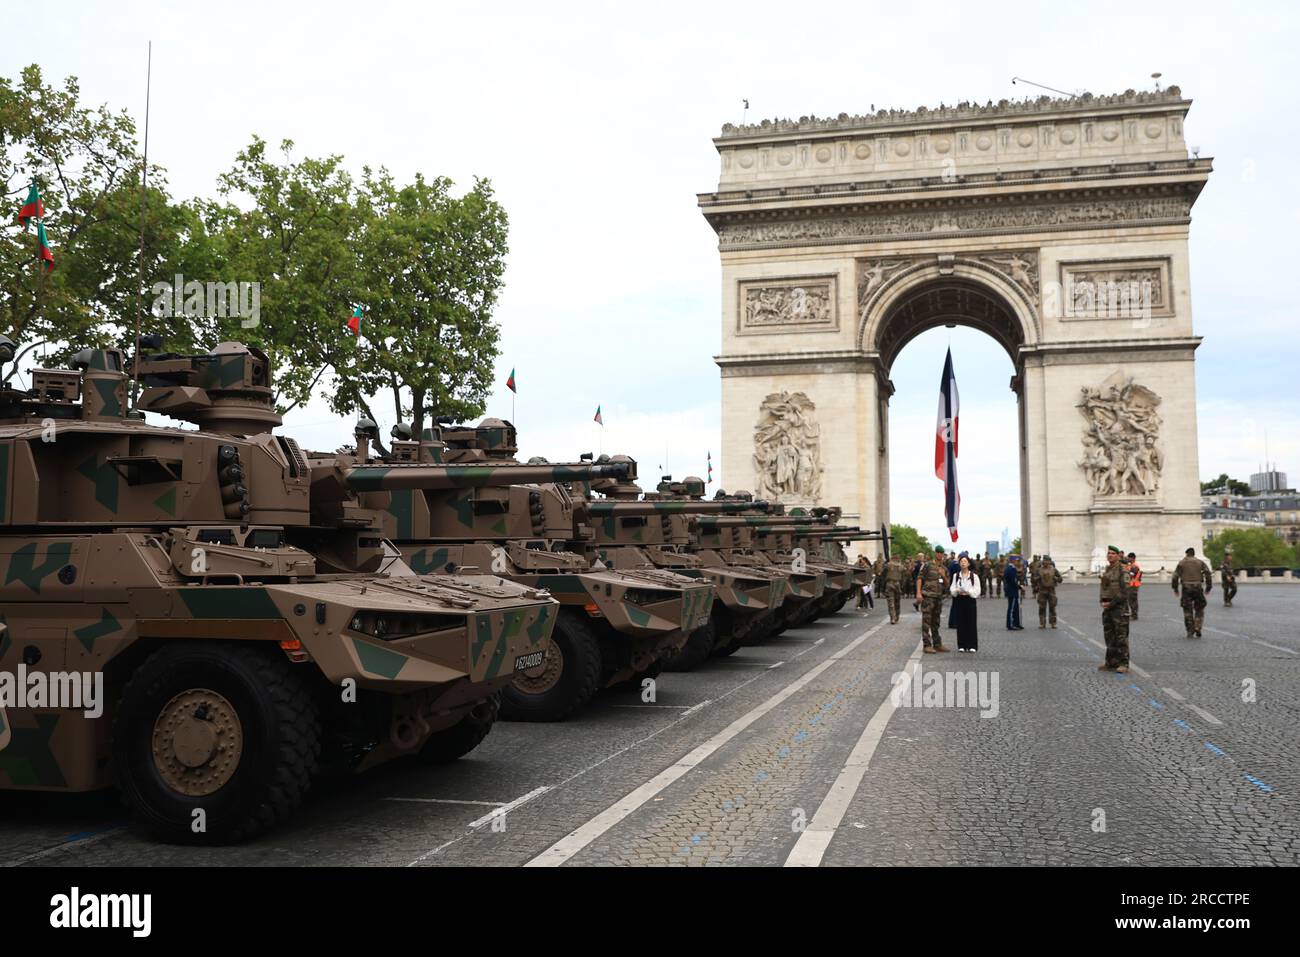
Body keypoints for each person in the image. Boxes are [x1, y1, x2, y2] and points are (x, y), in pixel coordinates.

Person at [1099, 544, 1130, 672]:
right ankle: (1111, 662)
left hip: (1119, 608)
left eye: (1113, 553)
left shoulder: (1123, 570)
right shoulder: (1108, 569)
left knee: (1121, 637)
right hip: (1107, 608)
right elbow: (1104, 587)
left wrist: (1110, 604)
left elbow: (1124, 591)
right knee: (1109, 636)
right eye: (1109, 553)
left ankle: (1124, 663)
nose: (1110, 555)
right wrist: (1102, 601)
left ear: (1118, 556)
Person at [1172, 546, 1213, 639]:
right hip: (1198, 587)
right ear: (1194, 554)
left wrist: (1175, 589)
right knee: (1199, 608)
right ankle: (1198, 627)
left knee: (1187, 610)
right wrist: (1208, 587)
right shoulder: (1200, 562)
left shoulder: (1182, 563)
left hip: (1186, 588)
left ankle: (1190, 630)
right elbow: (1208, 574)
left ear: (1187, 554)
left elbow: (1175, 576)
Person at [916, 546, 951, 654]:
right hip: (928, 597)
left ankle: (937, 644)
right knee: (926, 622)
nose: (940, 554)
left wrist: (943, 575)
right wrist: (918, 593)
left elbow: (947, 584)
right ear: (935, 553)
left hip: (938, 598)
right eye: (938, 552)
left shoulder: (944, 568)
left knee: (936, 622)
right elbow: (919, 578)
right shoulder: (927, 565)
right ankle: (927, 645)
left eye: (942, 553)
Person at [950, 553, 981, 651]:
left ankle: (972, 645)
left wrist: (969, 592)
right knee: (961, 623)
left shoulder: (974, 576)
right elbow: (952, 588)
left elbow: (977, 590)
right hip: (960, 599)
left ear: (968, 564)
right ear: (959, 564)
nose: (963, 563)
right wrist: (957, 591)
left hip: (970, 600)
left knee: (971, 622)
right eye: (961, 562)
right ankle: (962, 645)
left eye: (965, 561)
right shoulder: (956, 575)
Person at [1035, 555, 1063, 628]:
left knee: (1052, 607)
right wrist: (1039, 578)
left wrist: (1055, 578)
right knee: (1042, 607)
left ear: (1050, 562)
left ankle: (1053, 623)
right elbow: (1034, 579)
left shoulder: (1054, 570)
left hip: (1051, 590)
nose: (1046, 562)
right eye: (1044, 561)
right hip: (1042, 590)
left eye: (1047, 561)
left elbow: (1060, 579)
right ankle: (1042, 623)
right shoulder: (1039, 570)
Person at [883, 553, 905, 624]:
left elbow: (884, 572)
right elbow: (904, 575)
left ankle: (892, 618)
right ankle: (897, 617)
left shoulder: (888, 565)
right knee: (897, 602)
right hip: (897, 584)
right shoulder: (901, 566)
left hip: (889, 583)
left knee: (891, 602)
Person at [1004, 554, 1025, 630]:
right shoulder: (1010, 569)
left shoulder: (1012, 568)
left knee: (1015, 608)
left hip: (1013, 591)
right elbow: (1013, 582)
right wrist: (1020, 587)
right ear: (1013, 560)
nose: (1018, 562)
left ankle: (1016, 623)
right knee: (1012, 608)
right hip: (1011, 591)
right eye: (1017, 560)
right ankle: (1010, 624)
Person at [946, 551, 963, 629]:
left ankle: (952, 622)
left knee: (954, 605)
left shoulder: (952, 564)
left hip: (953, 585)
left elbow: (948, 573)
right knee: (957, 605)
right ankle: (955, 623)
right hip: (958, 586)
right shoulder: (959, 565)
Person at [1125, 552, 1143, 620]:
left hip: (1134, 586)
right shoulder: (1131, 565)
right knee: (1130, 600)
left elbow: (1131, 575)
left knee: (1133, 600)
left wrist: (1127, 572)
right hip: (1131, 585)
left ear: (1132, 558)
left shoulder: (1134, 566)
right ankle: (1133, 613)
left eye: (1129, 558)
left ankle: (1134, 615)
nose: (1128, 559)